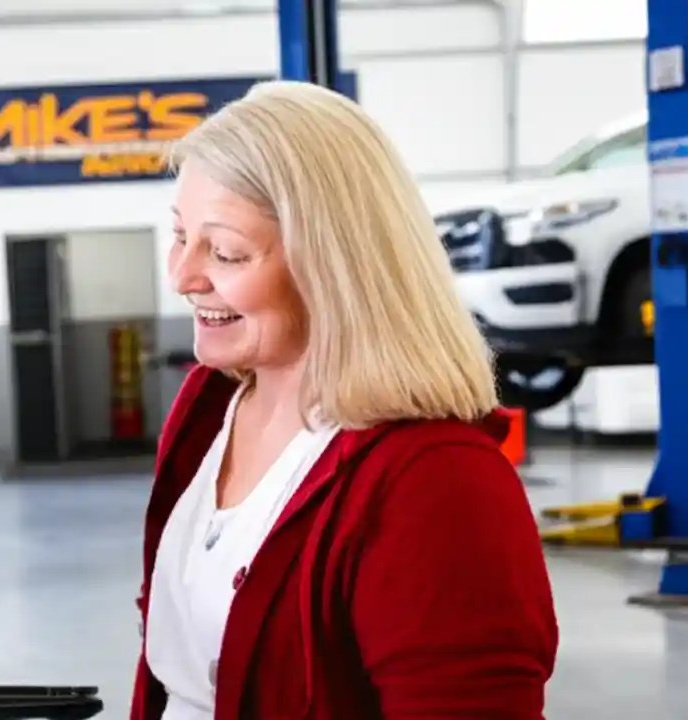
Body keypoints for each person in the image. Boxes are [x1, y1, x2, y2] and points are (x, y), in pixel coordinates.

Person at [131, 81, 559, 719]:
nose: (184, 276)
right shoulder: (207, 411)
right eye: (180, 236)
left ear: (331, 261)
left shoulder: (437, 483)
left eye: (225, 251)